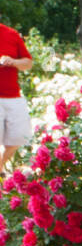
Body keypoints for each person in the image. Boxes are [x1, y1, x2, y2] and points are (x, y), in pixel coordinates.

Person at [0, 20, 34, 175]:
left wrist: (13, 62)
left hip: (13, 96)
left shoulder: (11, 34)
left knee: (20, 137)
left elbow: (28, 63)